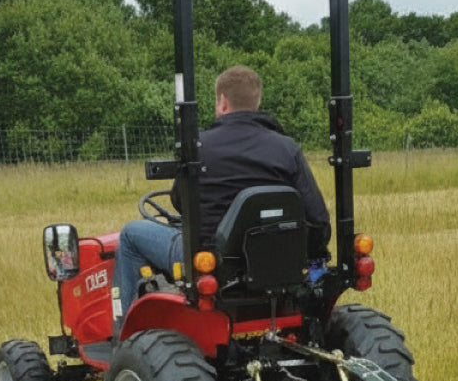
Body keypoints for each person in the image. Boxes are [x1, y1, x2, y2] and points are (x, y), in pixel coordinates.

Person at [111, 65, 331, 322]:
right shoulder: (287, 148)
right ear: (257, 101)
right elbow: (318, 220)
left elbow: (180, 202)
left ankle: (125, 330)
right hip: (276, 262)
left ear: (223, 102)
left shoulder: (198, 147)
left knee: (130, 234)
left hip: (212, 261)